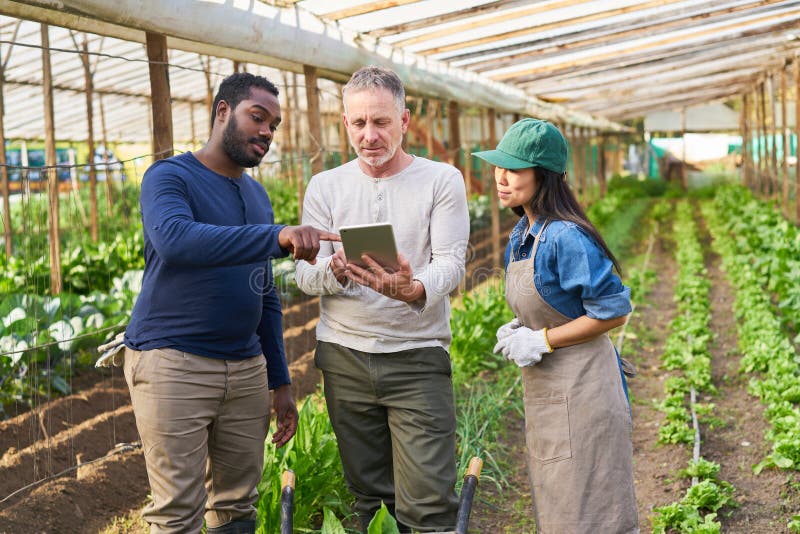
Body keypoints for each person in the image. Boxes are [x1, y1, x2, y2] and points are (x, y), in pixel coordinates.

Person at [121, 72, 338, 534]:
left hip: (244, 371)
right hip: (173, 362)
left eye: (274, 125)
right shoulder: (169, 176)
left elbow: (264, 294)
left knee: (238, 506)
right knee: (178, 510)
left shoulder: (255, 195)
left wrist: (279, 380)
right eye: (257, 117)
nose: (266, 132)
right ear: (223, 111)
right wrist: (276, 235)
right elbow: (177, 240)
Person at [294, 65, 469, 532]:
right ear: (345, 124)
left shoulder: (441, 180)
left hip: (417, 357)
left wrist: (414, 289)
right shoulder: (325, 186)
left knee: (428, 502)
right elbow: (303, 276)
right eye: (358, 123)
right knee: (369, 499)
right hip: (344, 357)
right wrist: (332, 271)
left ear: (405, 121)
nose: (369, 135)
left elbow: (452, 262)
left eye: (381, 122)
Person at [473, 119, 639, 533]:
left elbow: (614, 311)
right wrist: (521, 327)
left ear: (543, 175)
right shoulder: (524, 233)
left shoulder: (565, 236)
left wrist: (543, 338)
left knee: (591, 510)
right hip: (549, 389)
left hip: (584, 388)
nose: (501, 178)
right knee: (558, 502)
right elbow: (555, 302)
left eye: (514, 169)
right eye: (499, 167)